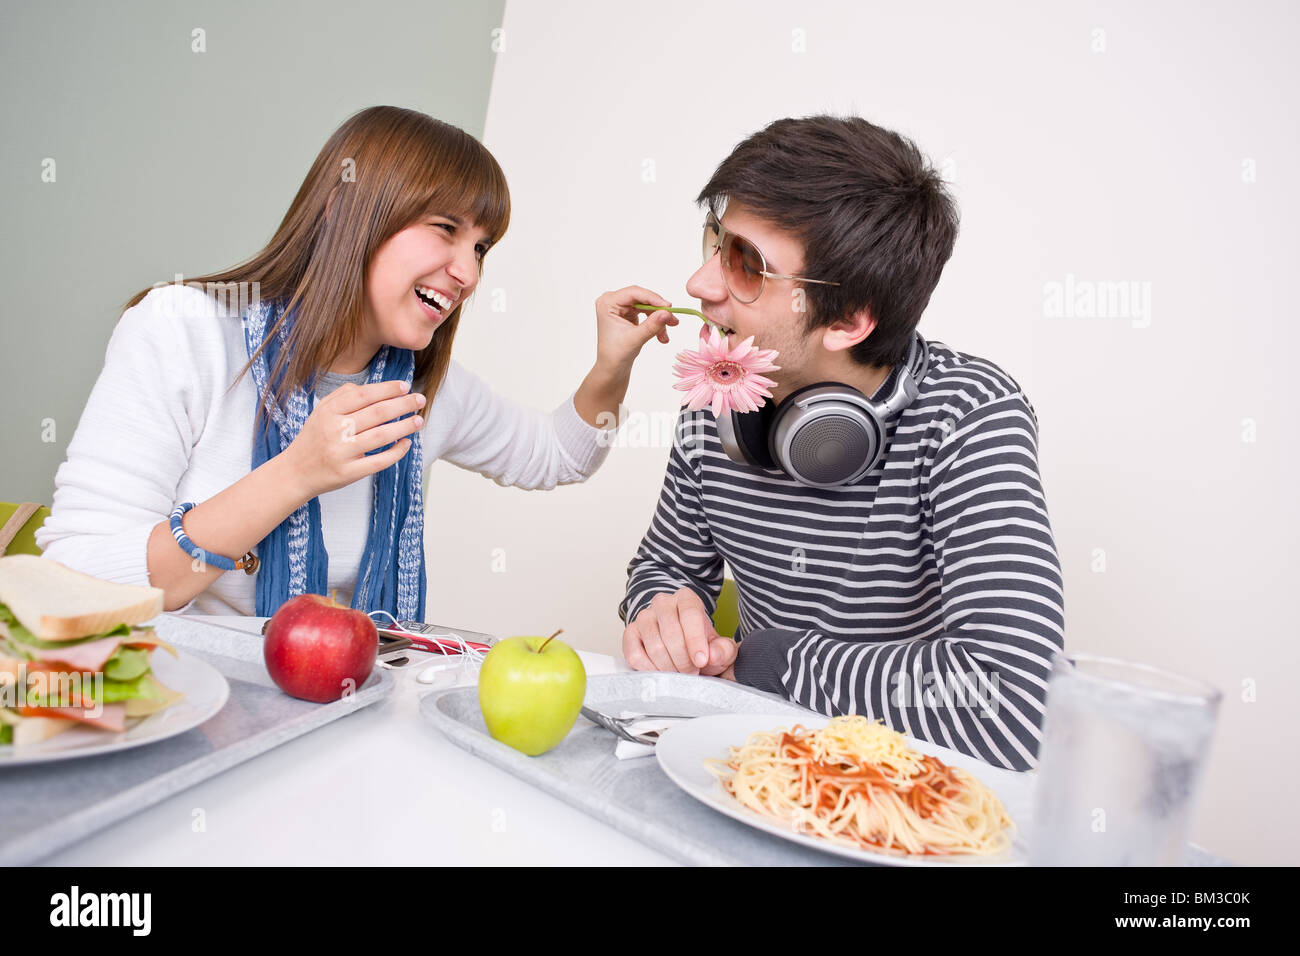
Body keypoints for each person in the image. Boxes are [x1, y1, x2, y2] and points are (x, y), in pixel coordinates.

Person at [37, 106, 678, 620]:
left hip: (334, 709)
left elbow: (555, 457)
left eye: (482, 247)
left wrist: (611, 367)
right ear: (348, 210)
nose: (467, 272)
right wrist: (296, 473)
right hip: (182, 703)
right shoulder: (185, 329)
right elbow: (80, 575)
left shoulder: (420, 389)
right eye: (445, 228)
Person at [618, 115, 1065, 771]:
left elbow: (1013, 701)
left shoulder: (968, 414)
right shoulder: (723, 392)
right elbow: (662, 569)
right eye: (717, 241)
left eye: (746, 265)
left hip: (910, 795)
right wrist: (660, 610)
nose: (700, 284)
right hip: (759, 769)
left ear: (851, 319)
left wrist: (770, 661)